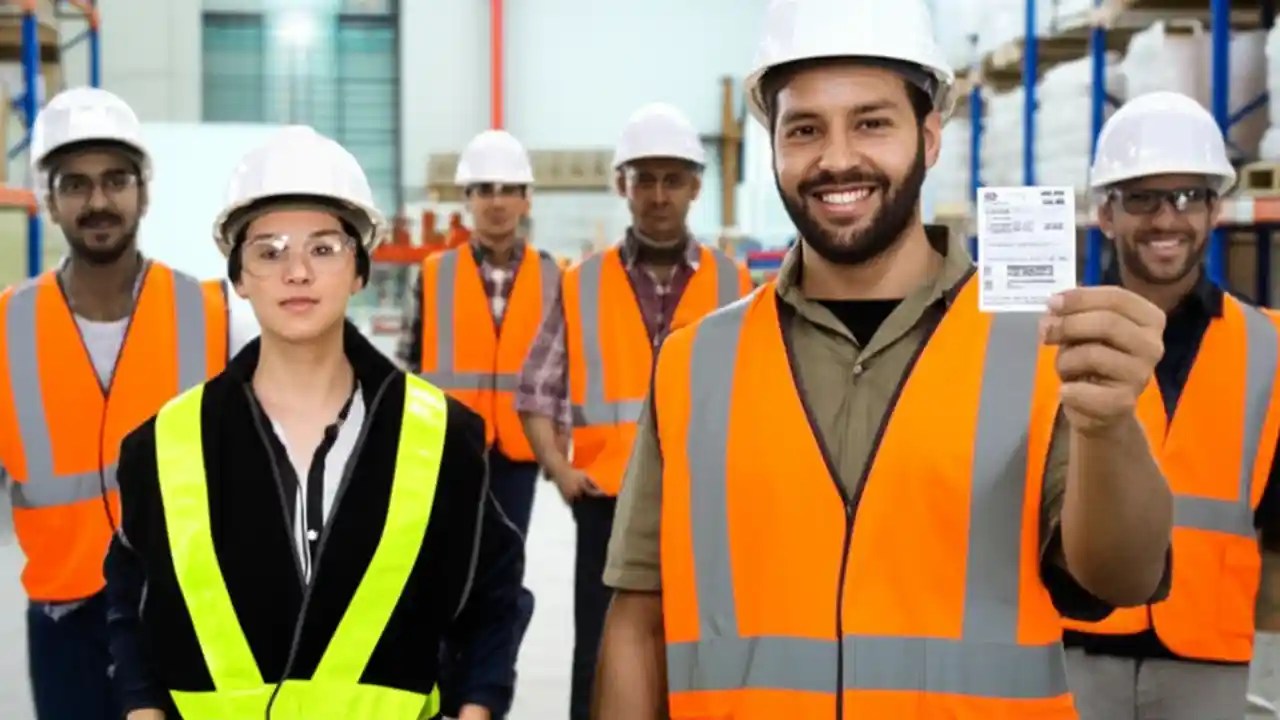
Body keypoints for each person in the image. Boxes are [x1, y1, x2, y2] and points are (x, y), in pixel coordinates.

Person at [592, 1, 1177, 718]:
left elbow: (1122, 577)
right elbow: (637, 622)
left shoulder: (1046, 348)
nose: (837, 158)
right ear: (772, 145)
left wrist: (1108, 427)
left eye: (872, 122)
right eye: (804, 129)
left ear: (930, 137)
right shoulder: (695, 365)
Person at [102, 125, 523, 720]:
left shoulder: (440, 436)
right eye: (268, 251)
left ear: (360, 271)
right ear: (239, 278)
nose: (296, 272)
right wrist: (141, 709)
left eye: (324, 248)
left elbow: (494, 593)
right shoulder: (166, 445)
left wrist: (479, 706)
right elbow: (130, 598)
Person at [516, 101, 752, 720]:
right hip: (607, 502)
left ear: (696, 187)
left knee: (706, 643)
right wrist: (560, 470)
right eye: (643, 178)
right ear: (623, 186)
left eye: (672, 178)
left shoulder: (739, 285)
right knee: (600, 648)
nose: (657, 194)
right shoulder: (580, 282)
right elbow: (535, 392)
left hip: (708, 502)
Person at [0, 86, 229, 720]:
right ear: (49, 200)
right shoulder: (5, 326)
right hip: (63, 620)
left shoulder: (211, 316)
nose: (98, 201)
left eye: (116, 180)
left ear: (143, 193)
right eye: (75, 184)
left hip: (186, 614)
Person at [1057, 90, 1280, 720]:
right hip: (1073, 645)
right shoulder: (1054, 336)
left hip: (1211, 662)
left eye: (1187, 197)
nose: (1166, 219)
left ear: (1214, 211)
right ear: (1105, 213)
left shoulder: (1270, 345)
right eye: (1143, 198)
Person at [399, 128, 559, 708]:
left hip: (517, 457)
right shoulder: (434, 274)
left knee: (502, 585)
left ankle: (488, 693)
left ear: (526, 199)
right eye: (484, 189)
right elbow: (411, 366)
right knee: (439, 577)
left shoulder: (553, 276)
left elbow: (565, 371)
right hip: (448, 457)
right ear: (467, 199)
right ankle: (442, 689)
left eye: (508, 189)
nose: (496, 201)